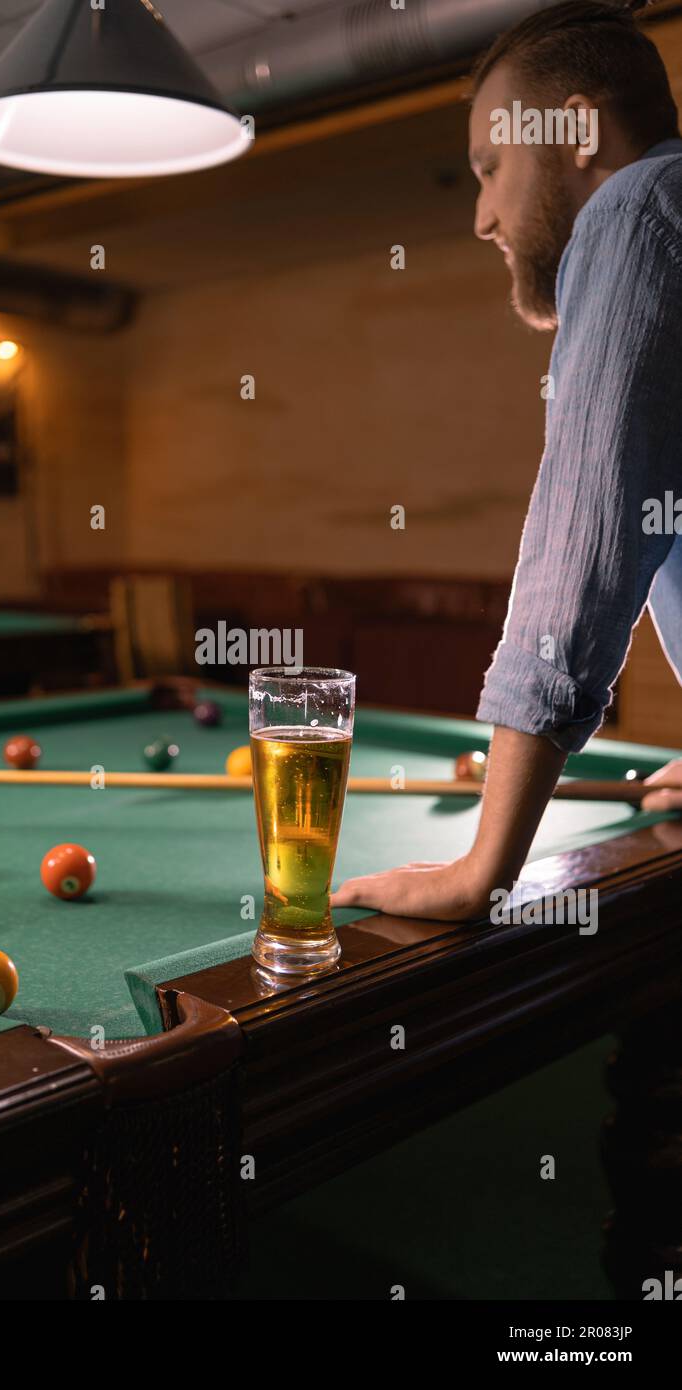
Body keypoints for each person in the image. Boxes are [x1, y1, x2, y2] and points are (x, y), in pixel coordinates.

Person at [333, 0, 682, 920]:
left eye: (491, 169)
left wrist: (481, 865)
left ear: (576, 131)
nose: (484, 216)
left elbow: (587, 535)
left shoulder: (635, 211)